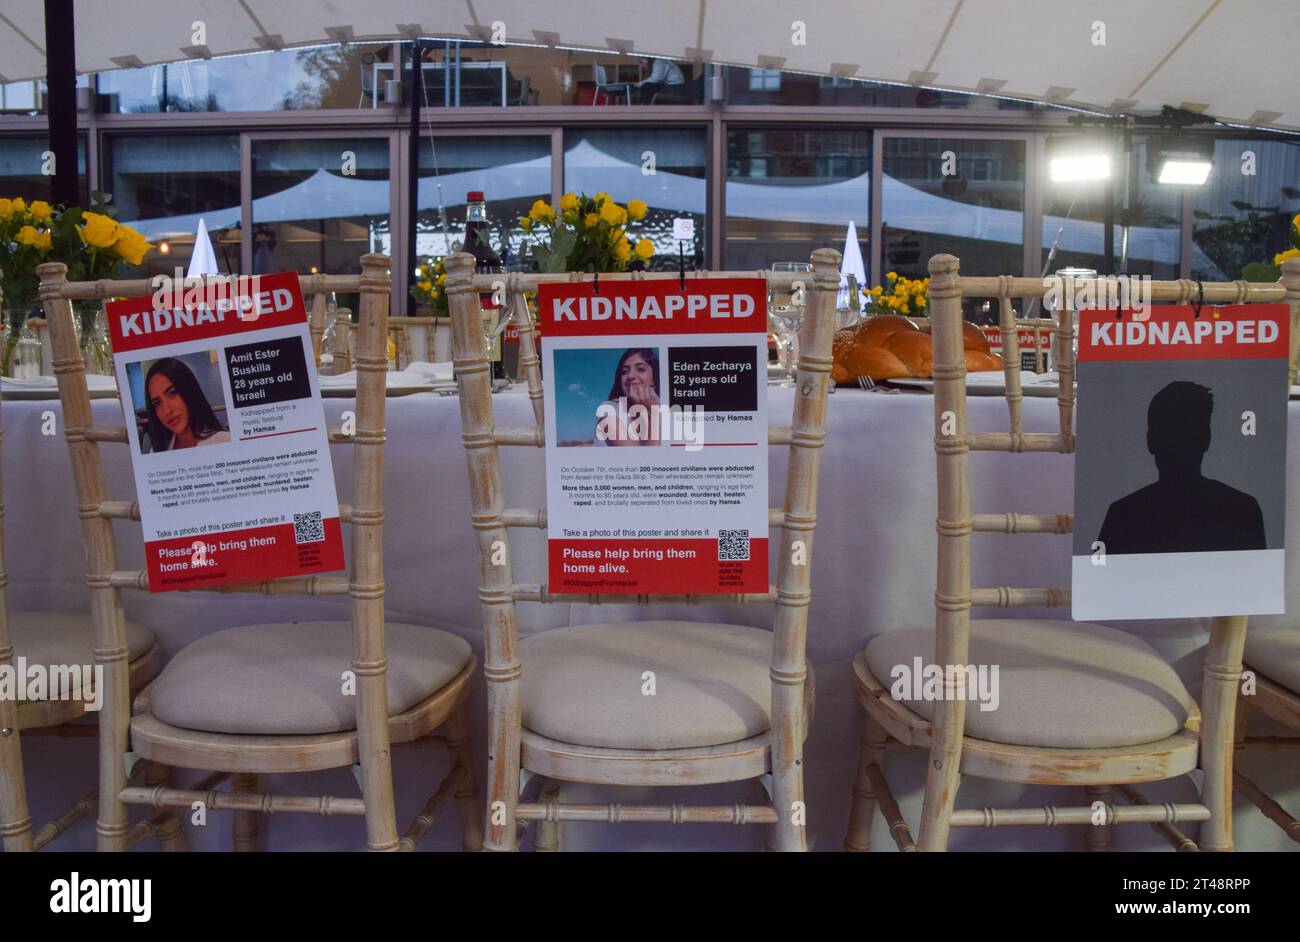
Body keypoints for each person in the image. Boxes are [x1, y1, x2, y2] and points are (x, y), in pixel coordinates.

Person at [1097, 381, 1265, 554]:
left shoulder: (1123, 514)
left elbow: (1099, 573)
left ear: (1151, 441)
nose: (1177, 445)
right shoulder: (1242, 509)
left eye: (1185, 432)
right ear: (1206, 439)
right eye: (1171, 433)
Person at [144, 357, 231, 452]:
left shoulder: (225, 441)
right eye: (157, 403)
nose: (167, 411)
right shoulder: (155, 450)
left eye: (172, 393)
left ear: (188, 391)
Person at [595, 348, 660, 446]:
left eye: (641, 369)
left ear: (653, 379)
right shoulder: (608, 410)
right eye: (624, 371)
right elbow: (643, 460)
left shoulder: (665, 409)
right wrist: (655, 413)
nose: (630, 376)